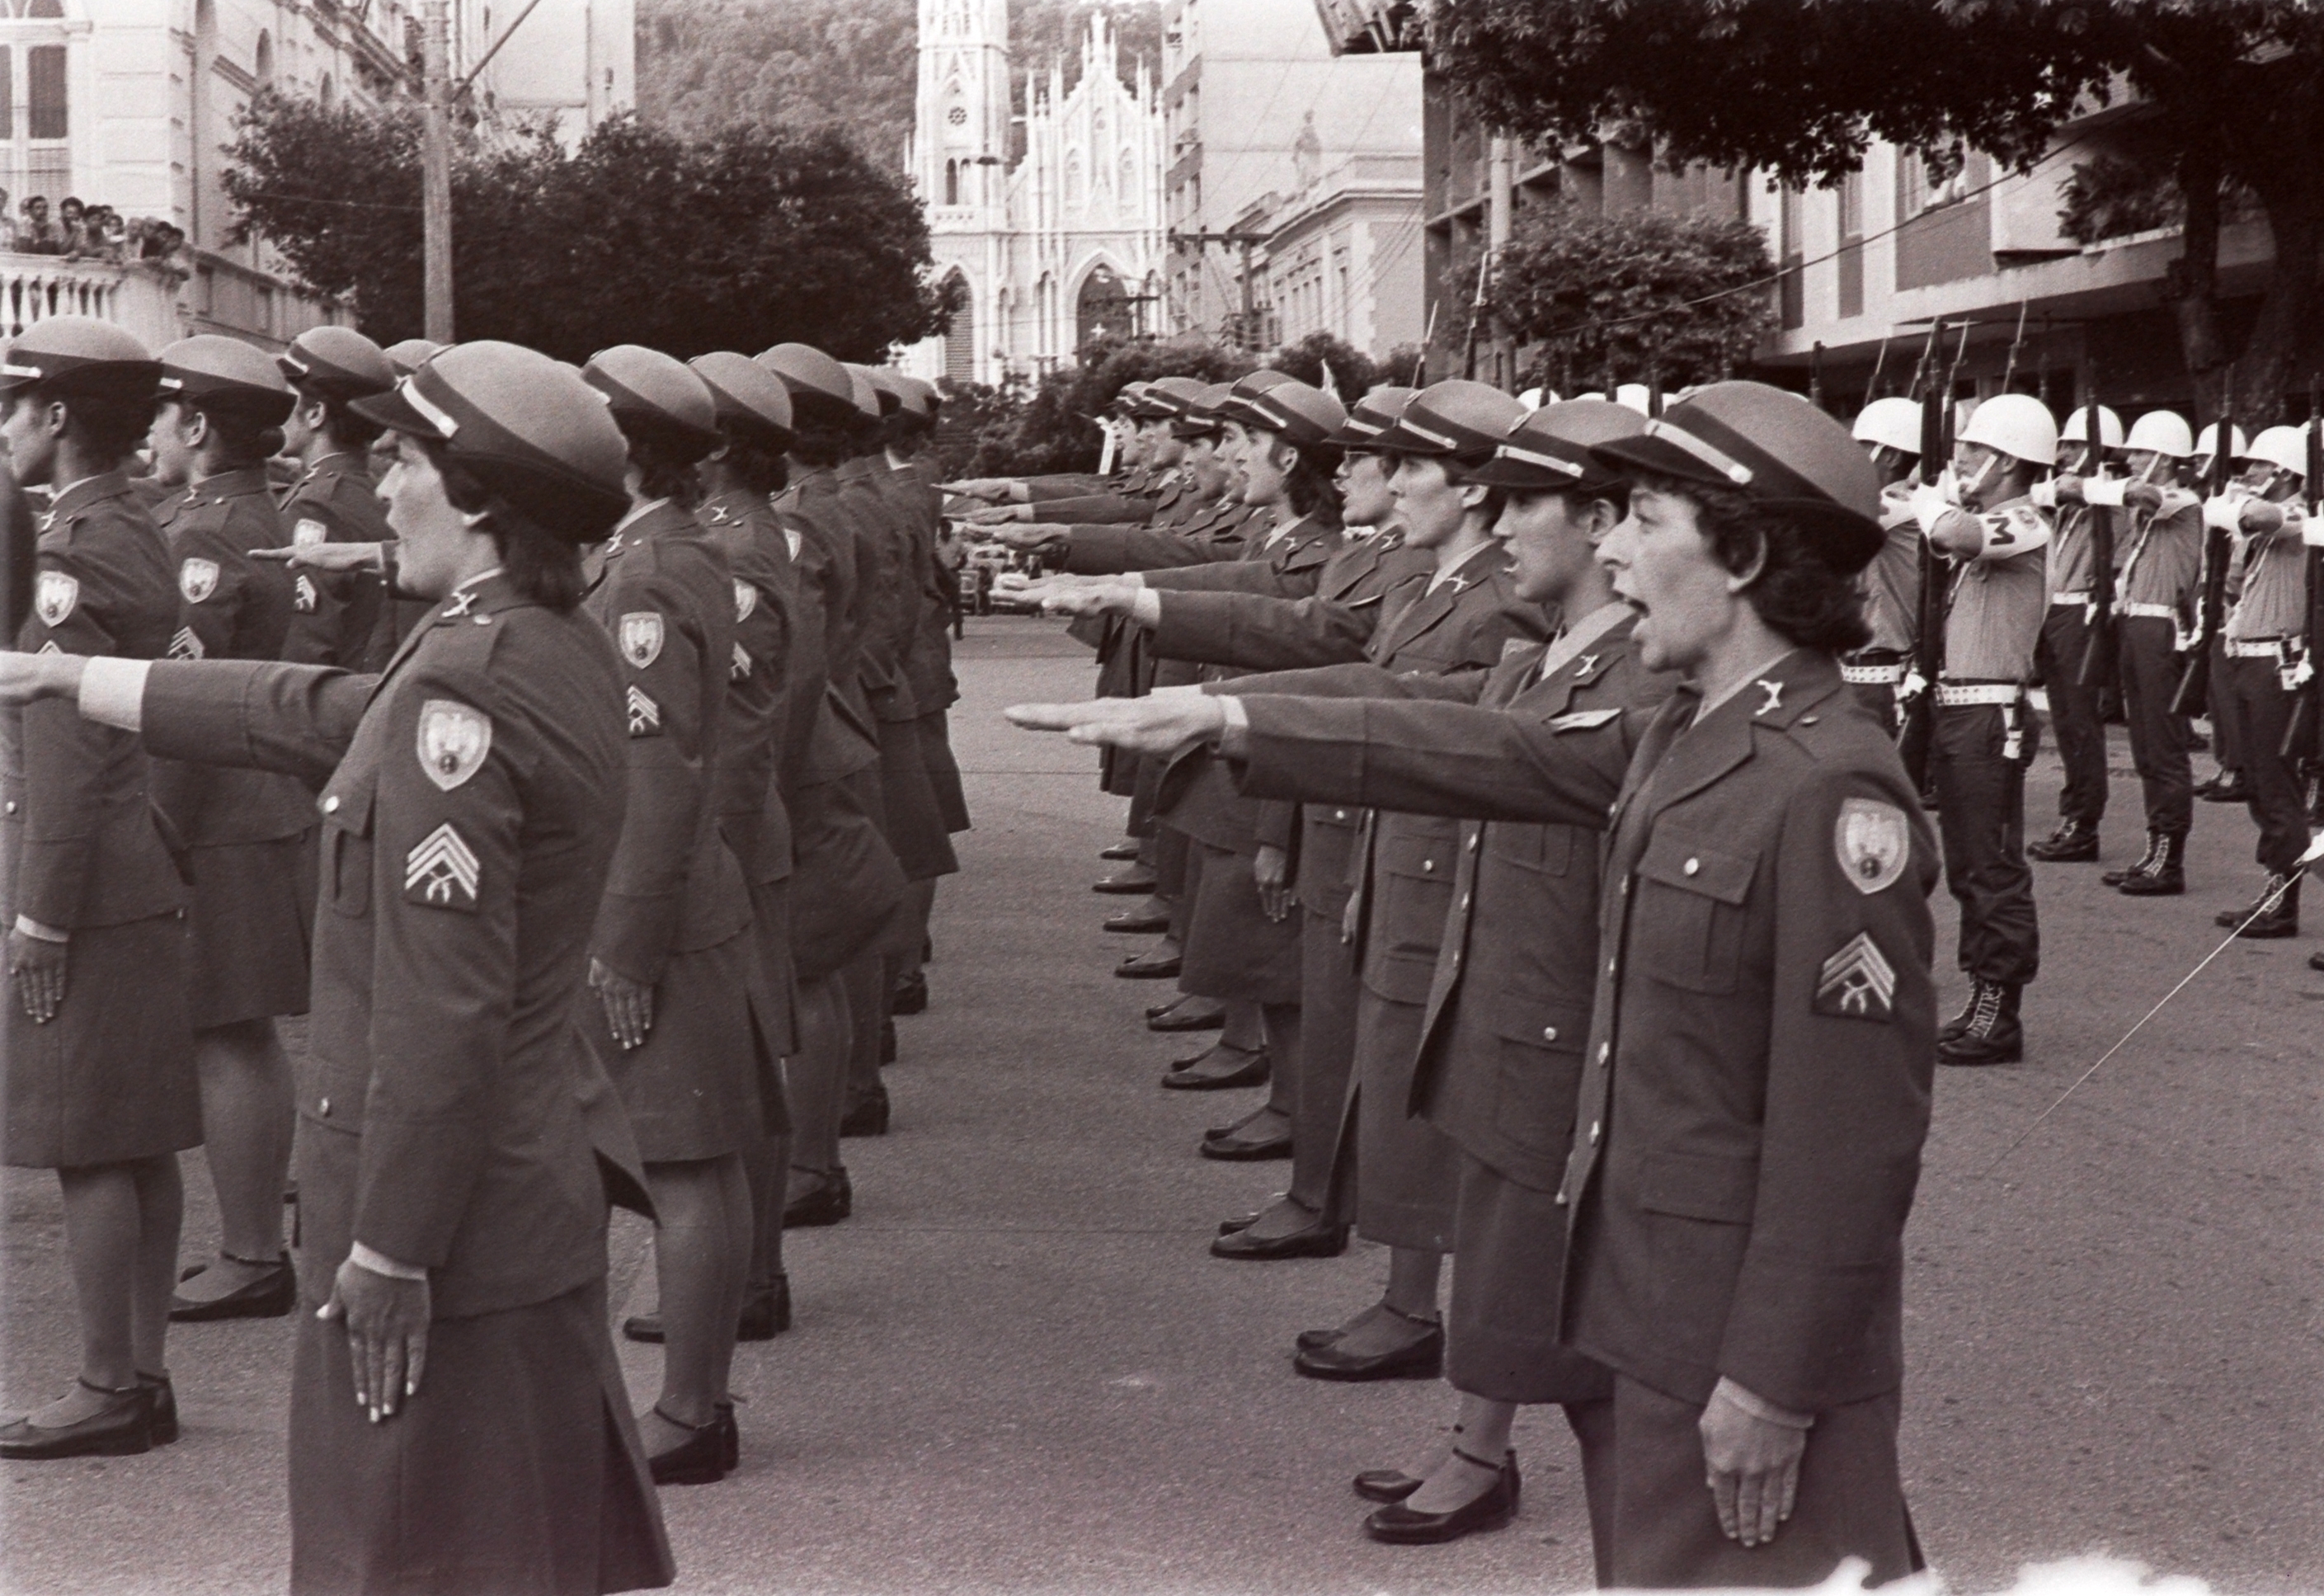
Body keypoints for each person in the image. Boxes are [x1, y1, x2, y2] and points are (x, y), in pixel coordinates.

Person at [1011, 379, 1940, 1588]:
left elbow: (1850, 1136)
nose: (1612, 546)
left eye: (1644, 518)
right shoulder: (1690, 731)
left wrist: (1774, 1379)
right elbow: (1485, 744)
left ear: (1747, 556)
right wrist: (1228, 718)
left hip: (1730, 1345)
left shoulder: (1826, 787)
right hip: (1647, 1313)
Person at [0, 339, 679, 1591]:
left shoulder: (464, 690)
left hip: (445, 1221)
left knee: (407, 1558)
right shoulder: (533, 639)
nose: (384, 490)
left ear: (476, 498)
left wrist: (393, 1249)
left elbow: (440, 1012)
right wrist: (74, 676)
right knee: (513, 1551)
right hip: (521, 1190)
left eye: (406, 461)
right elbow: (314, 707)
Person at [578, 343, 783, 1486]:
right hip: (682, 889)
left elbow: (657, 774)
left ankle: (694, 1411)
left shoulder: (646, 574)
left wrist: (625, 940)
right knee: (691, 1157)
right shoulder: (663, 551)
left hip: (660, 900)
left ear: (621, 447)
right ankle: (696, 1401)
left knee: (685, 1164)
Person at [0, 318, 197, 1462]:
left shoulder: (72, 552)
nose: (7, 426)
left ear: (61, 415)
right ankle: (144, 1372)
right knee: (141, 1138)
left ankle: (106, 1382)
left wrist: (40, 912)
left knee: (90, 1143)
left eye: (17, 405)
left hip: (83, 873)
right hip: (136, 859)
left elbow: (67, 752)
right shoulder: (134, 523)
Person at [143, 336, 318, 1321]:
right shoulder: (254, 513)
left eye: (164, 417)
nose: (154, 436)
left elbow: (185, 702)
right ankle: (255, 1245)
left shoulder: (205, 535)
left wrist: (156, 826)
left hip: (215, 814)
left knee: (227, 1034)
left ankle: (252, 1253)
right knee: (237, 1032)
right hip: (254, 804)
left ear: (199, 425)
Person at [1914, 392, 2055, 1066]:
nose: (1962, 457)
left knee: (1993, 864)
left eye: (1974, 448)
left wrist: (1927, 501)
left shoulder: (2025, 519)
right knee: (1969, 863)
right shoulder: (1990, 517)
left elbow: (1955, 535)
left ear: (2008, 460)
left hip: (1989, 714)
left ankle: (2001, 1011)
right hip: (1959, 708)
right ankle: (1981, 997)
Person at [2084, 411, 2204, 897]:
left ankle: (2169, 859)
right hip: (2135, 623)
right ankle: (2155, 848)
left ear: (2166, 458)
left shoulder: (2182, 500)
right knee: (2145, 748)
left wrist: (2096, 487)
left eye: (2140, 452)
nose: (2131, 459)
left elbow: (2146, 495)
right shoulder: (2145, 513)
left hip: (2161, 627)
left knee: (2164, 746)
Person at [2209, 423, 2313, 937]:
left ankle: (2283, 900)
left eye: (2259, 465)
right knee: (2258, 781)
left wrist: (2234, 505)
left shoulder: (2300, 513)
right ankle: (2275, 887)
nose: (2249, 472)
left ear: (2286, 472)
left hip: (2275, 664)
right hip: (2247, 658)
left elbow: (2261, 516)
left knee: (2276, 785)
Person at [2025, 403, 2126, 864]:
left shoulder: (2107, 494)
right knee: (2065, 722)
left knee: (2080, 724)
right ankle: (2076, 816)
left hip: (2080, 613)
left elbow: (2081, 491)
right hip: (2054, 610)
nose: (2063, 452)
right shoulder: (2072, 500)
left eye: (2073, 444)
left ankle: (2083, 822)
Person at [275, 327, 407, 672]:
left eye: (287, 397)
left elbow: (303, 651)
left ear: (316, 414)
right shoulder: (369, 490)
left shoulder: (315, 507)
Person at [1843, 398, 1922, 743]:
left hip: (1880, 675)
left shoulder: (1900, 505)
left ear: (1890, 456)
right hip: (1856, 670)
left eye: (1862, 446)